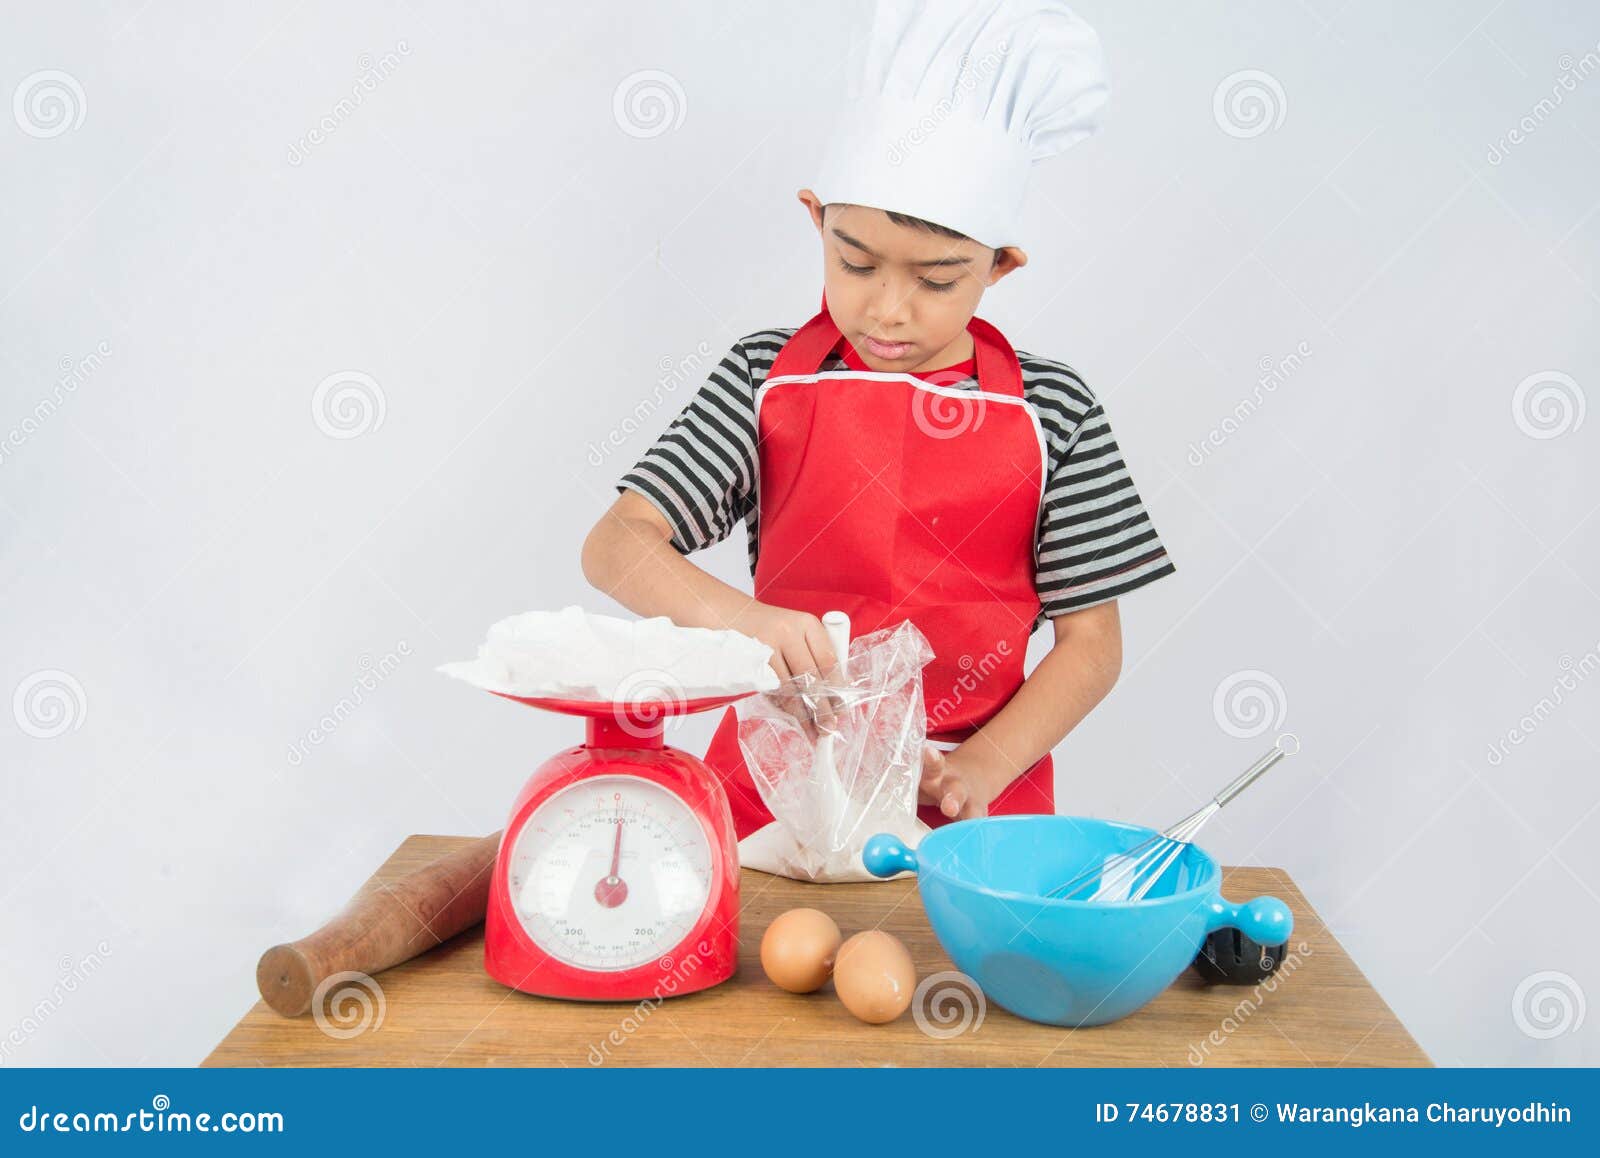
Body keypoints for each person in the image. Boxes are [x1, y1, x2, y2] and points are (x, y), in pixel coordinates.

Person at [582, 0, 1174, 838]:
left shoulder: (1056, 410)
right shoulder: (764, 377)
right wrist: (748, 625)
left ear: (999, 266)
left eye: (937, 281)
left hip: (965, 801)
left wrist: (982, 766)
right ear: (816, 219)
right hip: (779, 782)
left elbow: (1092, 645)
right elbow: (617, 545)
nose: (889, 310)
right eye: (854, 263)